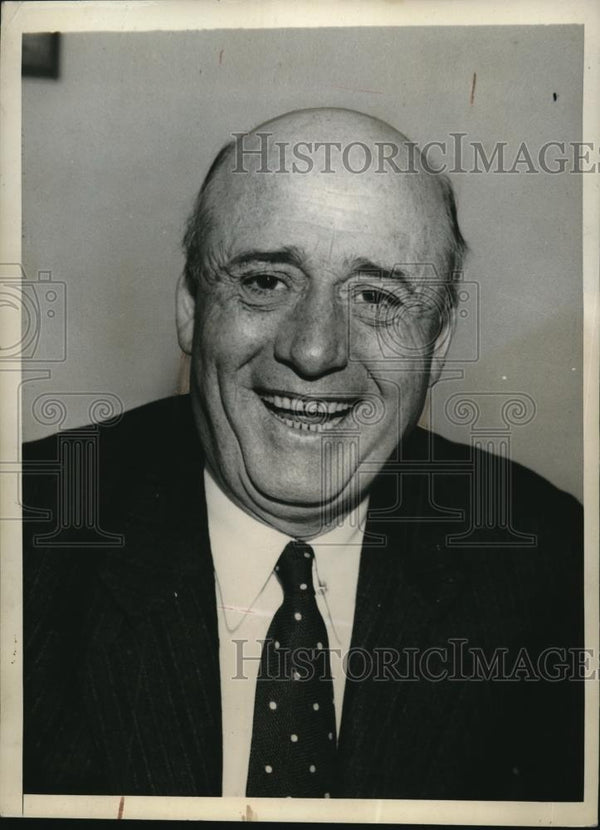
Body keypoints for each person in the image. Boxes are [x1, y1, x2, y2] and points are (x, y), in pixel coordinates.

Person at [22, 108, 584, 800]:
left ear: (437, 346)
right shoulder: (25, 544)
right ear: (192, 308)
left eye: (376, 297)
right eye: (265, 281)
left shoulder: (553, 569)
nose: (315, 350)